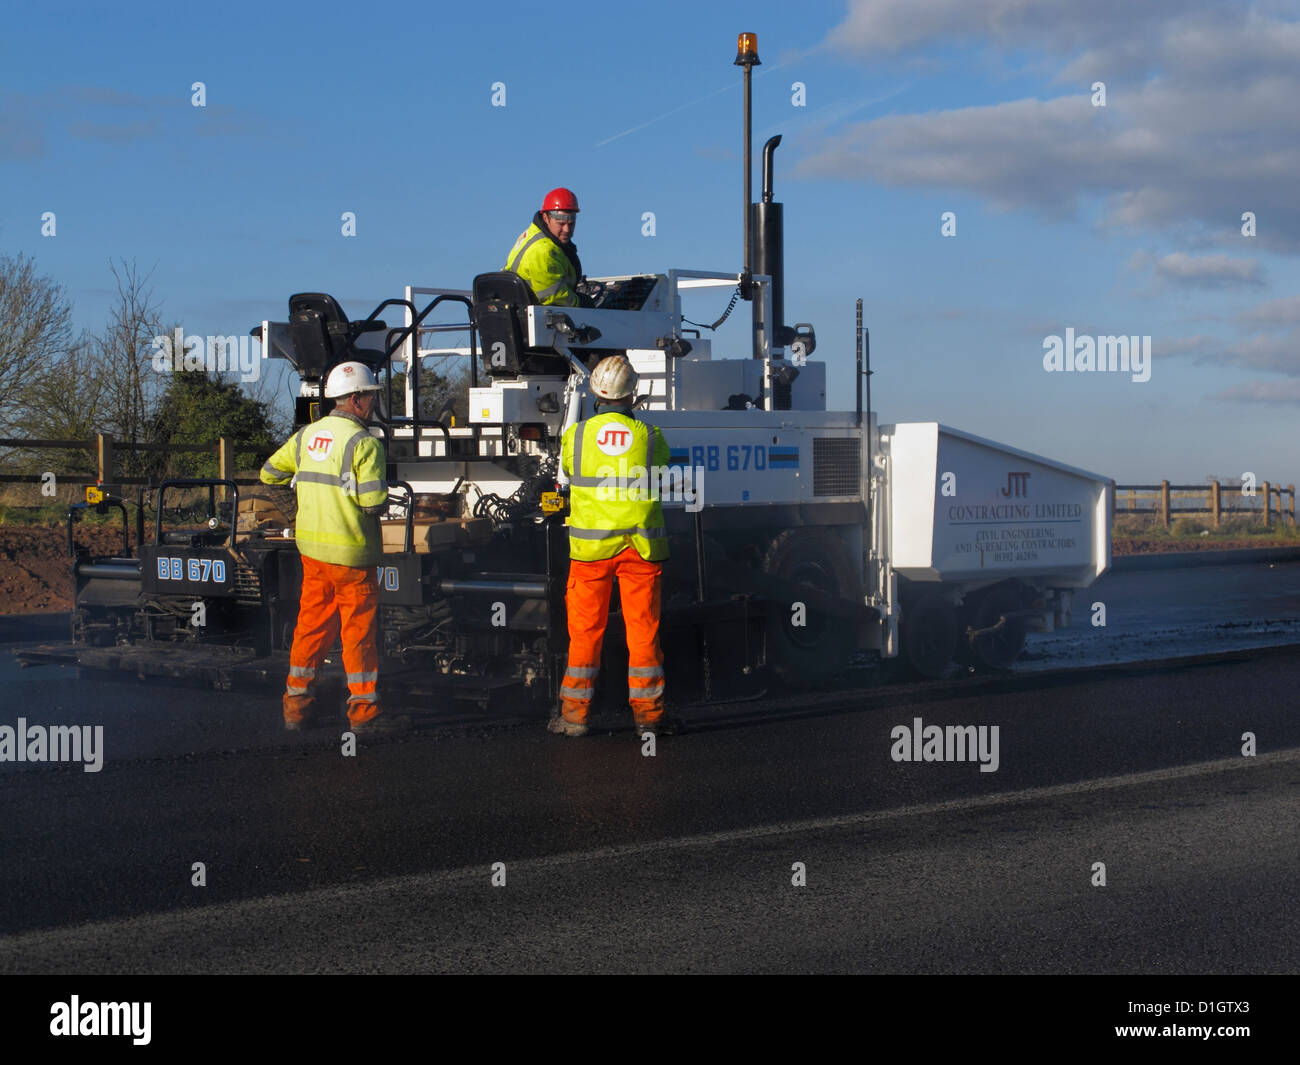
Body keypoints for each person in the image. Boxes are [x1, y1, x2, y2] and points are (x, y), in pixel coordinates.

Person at [260, 361, 394, 733]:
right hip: (352, 555)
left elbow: (269, 474)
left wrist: (296, 512)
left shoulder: (306, 436)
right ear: (356, 399)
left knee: (311, 627)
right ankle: (364, 712)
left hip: (313, 553)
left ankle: (296, 708)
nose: (372, 405)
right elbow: (371, 504)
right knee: (358, 633)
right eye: (369, 398)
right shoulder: (365, 443)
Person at [553, 355, 675, 737]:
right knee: (642, 632)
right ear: (632, 395)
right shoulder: (650, 437)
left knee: (586, 633)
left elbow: (571, 474)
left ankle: (574, 717)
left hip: (590, 554)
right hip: (638, 550)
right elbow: (663, 466)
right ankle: (649, 718)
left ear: (594, 395)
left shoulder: (576, 436)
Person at [505, 187, 587, 307]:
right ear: (545, 218)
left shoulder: (532, 234)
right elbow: (553, 296)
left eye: (571, 224)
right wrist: (581, 303)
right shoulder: (543, 251)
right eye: (561, 224)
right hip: (534, 317)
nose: (567, 230)